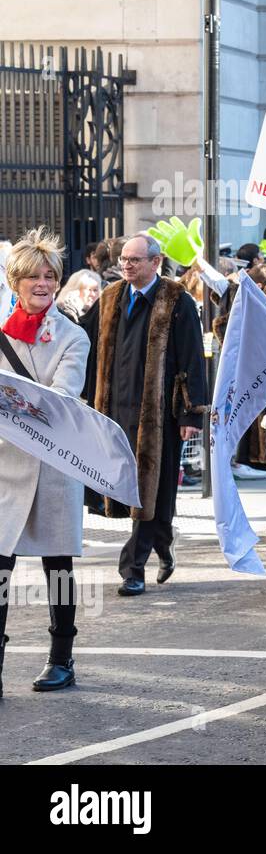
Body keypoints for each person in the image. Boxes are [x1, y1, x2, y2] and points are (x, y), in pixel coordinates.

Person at [81, 234, 207, 595]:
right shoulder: (109, 299)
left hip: (159, 416)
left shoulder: (176, 300)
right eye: (124, 259)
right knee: (135, 489)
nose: (127, 264)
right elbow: (82, 343)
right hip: (114, 412)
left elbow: (192, 359)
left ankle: (132, 568)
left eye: (135, 259)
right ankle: (163, 543)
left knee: (152, 488)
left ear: (156, 262)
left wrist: (190, 415)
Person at [0, 228, 91, 695]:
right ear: (15, 282)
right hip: (5, 465)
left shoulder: (73, 336)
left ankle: (62, 657)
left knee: (58, 567)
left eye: (50, 275)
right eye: (33, 276)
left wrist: (15, 402)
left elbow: (63, 397)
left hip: (54, 463)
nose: (43, 283)